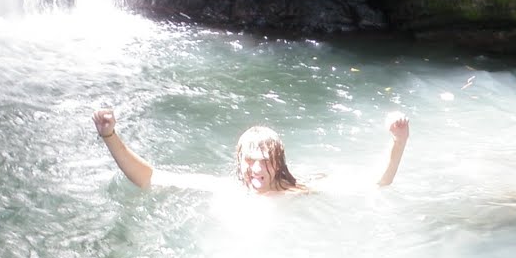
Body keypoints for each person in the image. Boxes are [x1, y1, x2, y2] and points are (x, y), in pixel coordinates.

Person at [92, 107, 411, 194]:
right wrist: (110, 135)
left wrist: (397, 142)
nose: (256, 169)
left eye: (264, 162)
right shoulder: (229, 189)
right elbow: (147, 178)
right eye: (249, 161)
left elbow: (378, 182)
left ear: (279, 163)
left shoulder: (300, 191)